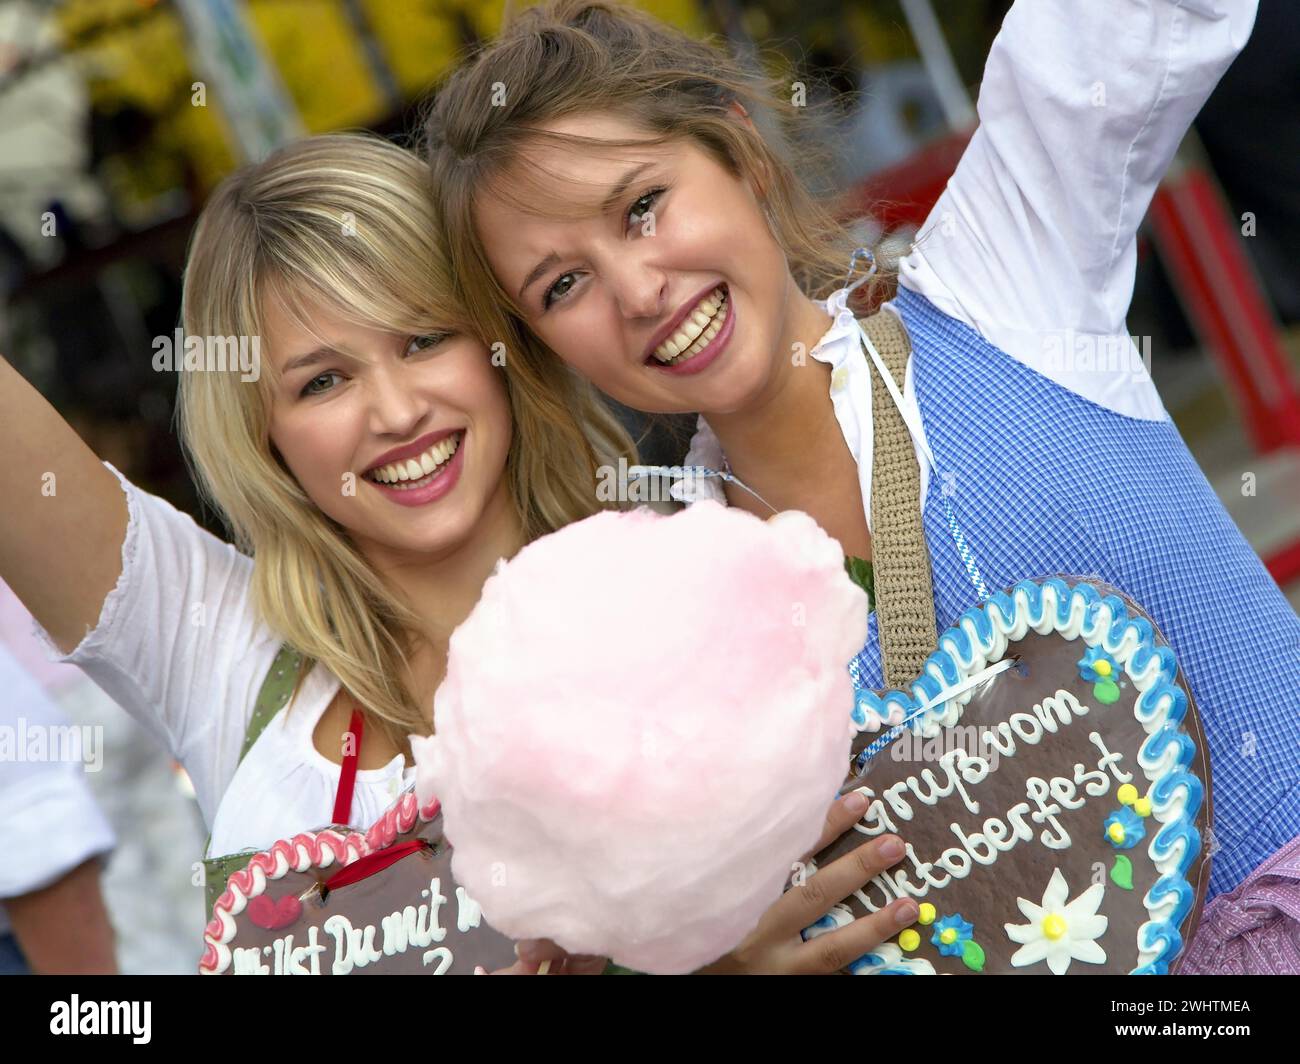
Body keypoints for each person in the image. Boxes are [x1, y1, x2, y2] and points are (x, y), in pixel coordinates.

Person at [422, 0, 1300, 971]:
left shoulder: (1006, 282)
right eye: (561, 285)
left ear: (739, 151)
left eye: (642, 206)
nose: (636, 288)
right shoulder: (657, 631)